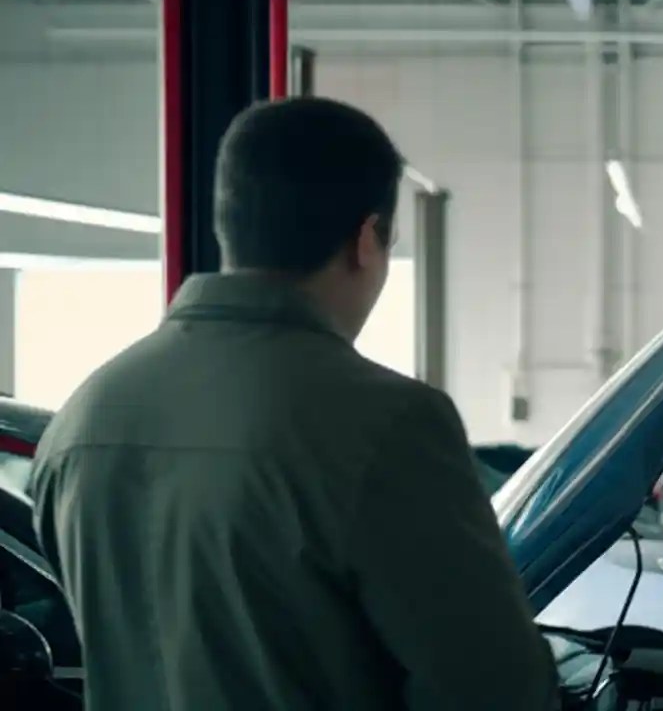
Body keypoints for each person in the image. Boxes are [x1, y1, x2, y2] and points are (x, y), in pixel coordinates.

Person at [29, 97, 560, 711]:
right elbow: (492, 687)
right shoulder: (388, 422)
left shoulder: (85, 414)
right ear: (367, 239)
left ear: (229, 225)